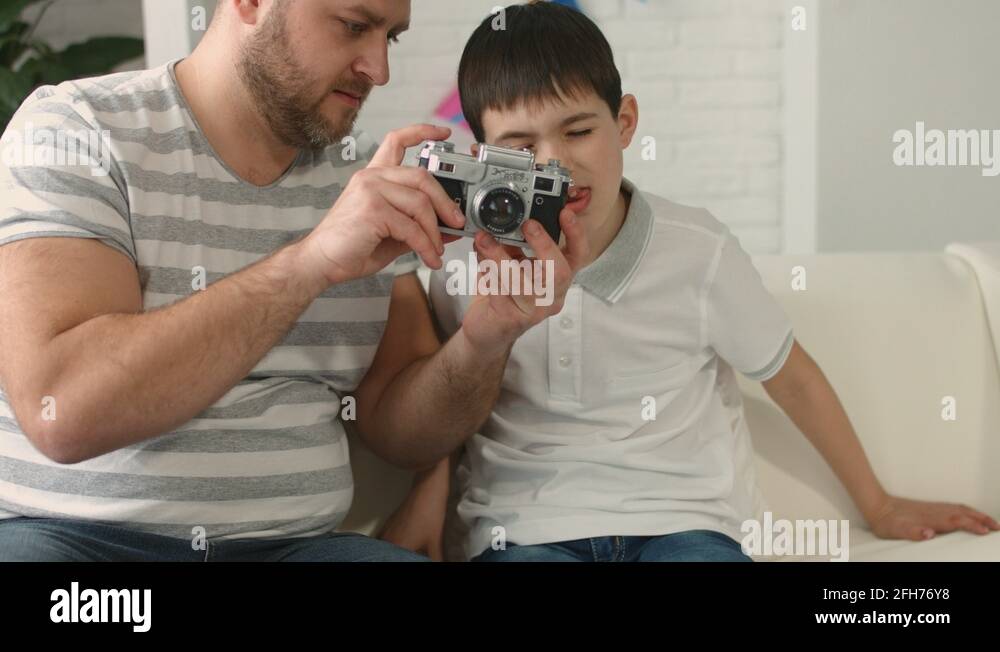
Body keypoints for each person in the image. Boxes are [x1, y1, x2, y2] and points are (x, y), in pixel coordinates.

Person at [379, 1, 1000, 562]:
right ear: (484, 155)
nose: (555, 165)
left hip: (683, 524)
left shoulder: (698, 250)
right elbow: (446, 402)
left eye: (579, 130)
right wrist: (429, 487)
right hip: (523, 529)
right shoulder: (463, 264)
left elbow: (795, 379)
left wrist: (879, 505)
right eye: (520, 146)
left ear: (625, 122)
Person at [0, 0, 585, 561]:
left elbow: (400, 433)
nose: (378, 69)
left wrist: (485, 339)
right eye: (355, 26)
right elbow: (65, 411)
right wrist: (310, 263)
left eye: (391, 38)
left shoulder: (366, 185)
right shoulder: (75, 131)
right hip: (74, 542)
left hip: (298, 548)